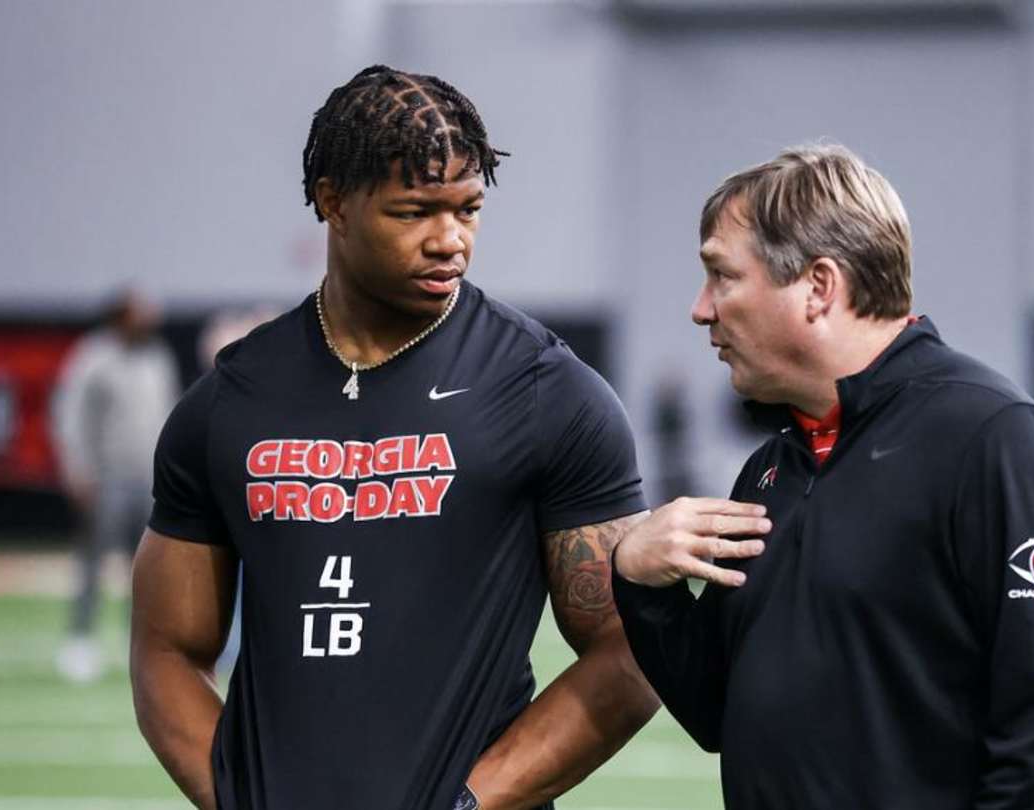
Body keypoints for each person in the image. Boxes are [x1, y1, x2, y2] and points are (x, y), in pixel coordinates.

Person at [130, 65, 658, 810]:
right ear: (333, 202)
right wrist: (237, 799)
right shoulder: (229, 402)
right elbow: (167, 650)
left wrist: (469, 806)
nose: (451, 241)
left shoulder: (547, 392)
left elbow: (627, 654)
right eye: (414, 213)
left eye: (468, 210)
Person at [611, 144, 1034, 808]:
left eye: (722, 275)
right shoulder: (772, 468)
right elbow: (716, 711)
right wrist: (645, 586)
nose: (701, 308)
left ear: (819, 287)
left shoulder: (996, 441)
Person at [52, 289, 178, 682]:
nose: (149, 320)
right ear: (121, 317)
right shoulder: (93, 358)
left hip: (149, 481)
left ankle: (136, 643)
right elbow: (70, 416)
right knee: (92, 563)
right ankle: (80, 641)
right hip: (105, 479)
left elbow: (171, 415)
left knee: (146, 567)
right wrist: (77, 469)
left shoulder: (157, 358)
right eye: (140, 313)